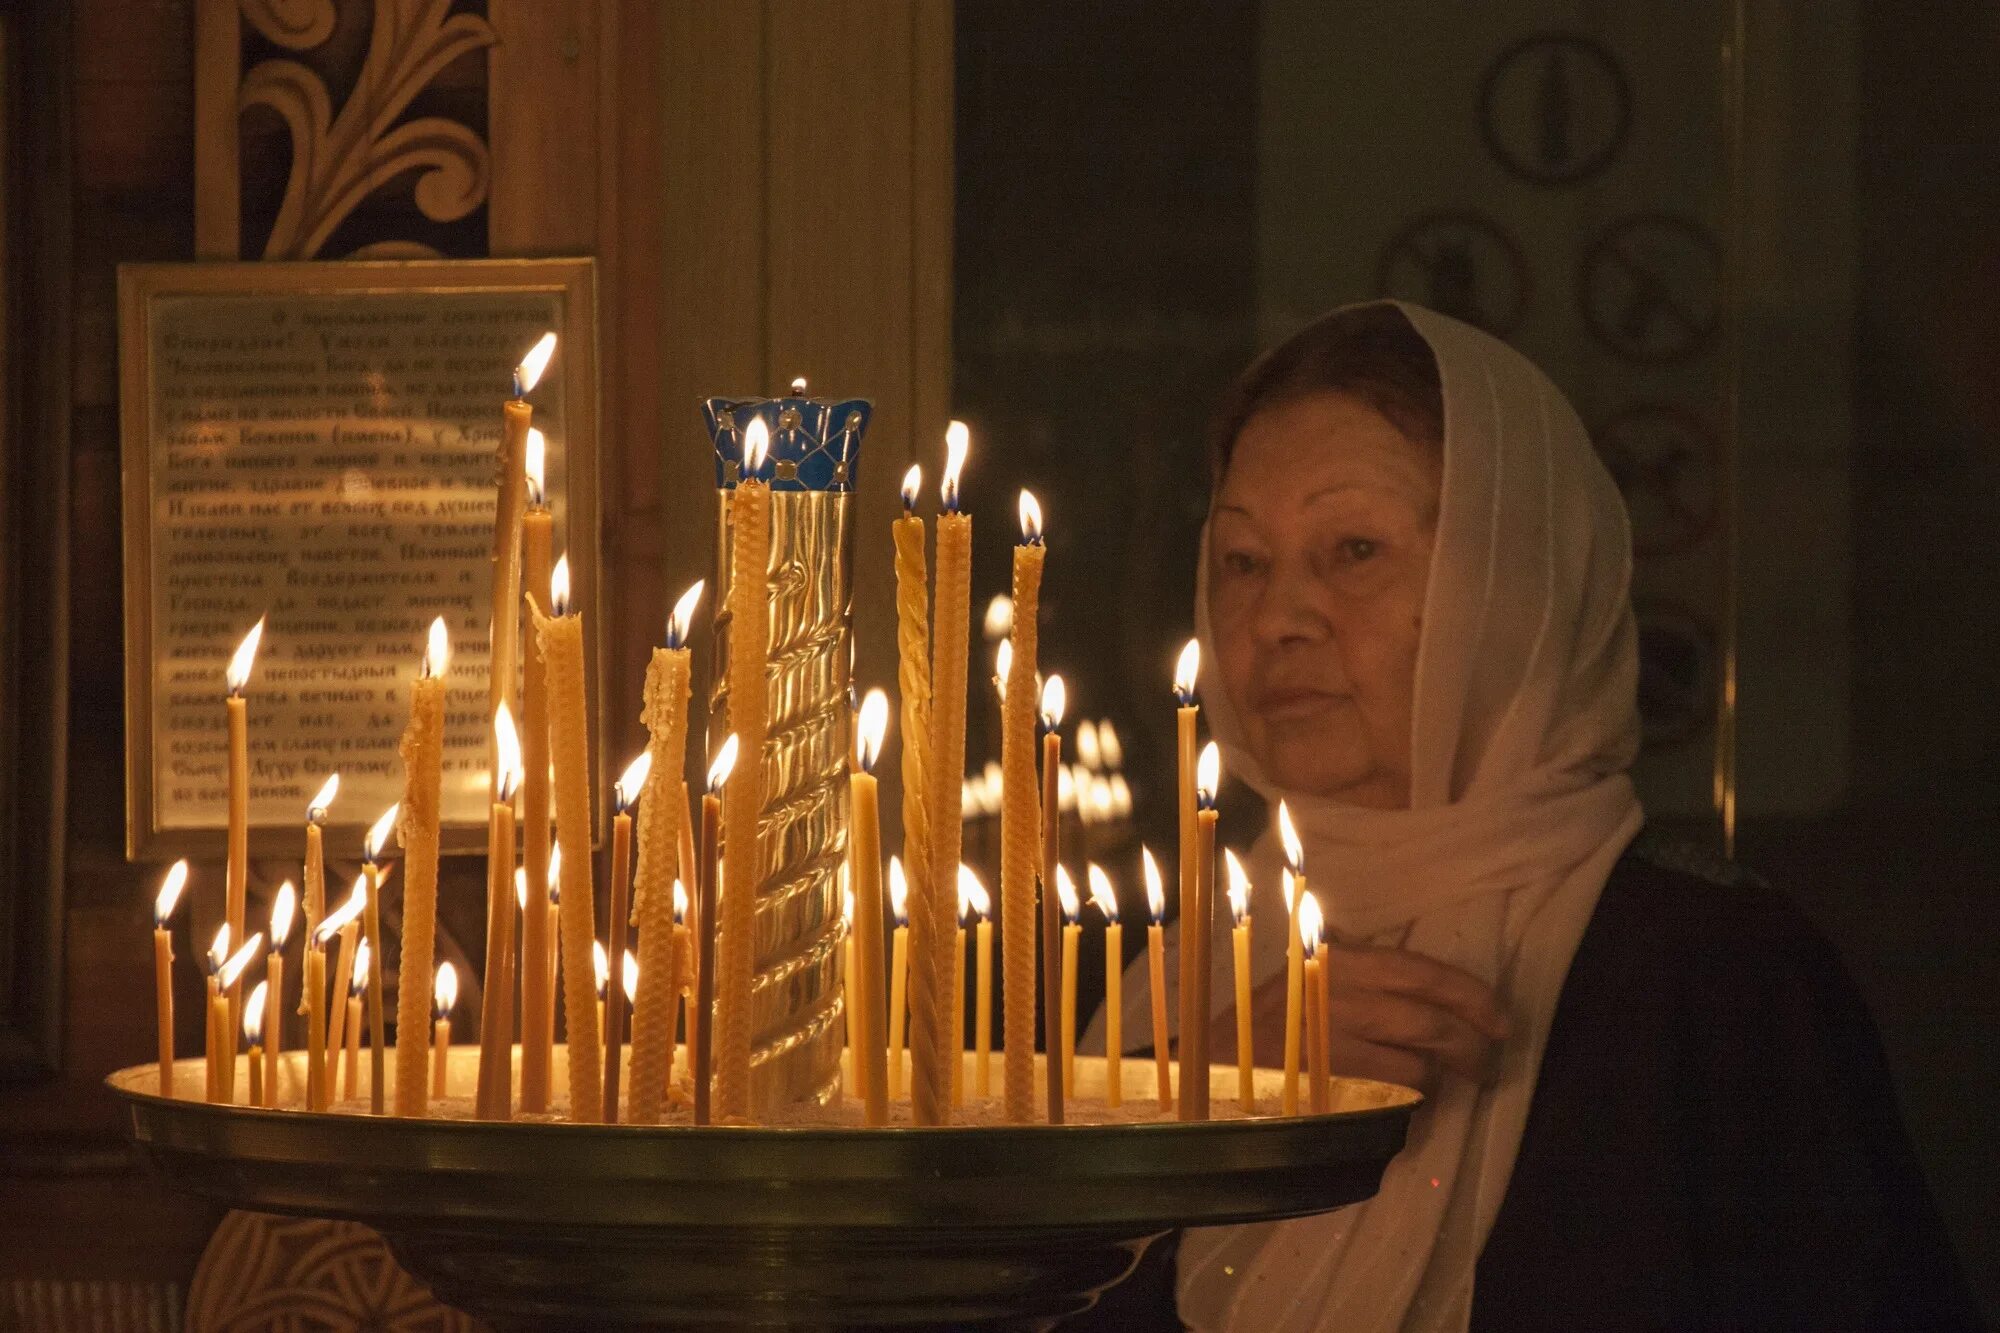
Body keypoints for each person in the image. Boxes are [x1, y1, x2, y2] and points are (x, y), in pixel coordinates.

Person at [1078, 302, 1982, 1331]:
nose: (1276, 617)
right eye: (1242, 560)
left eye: (1355, 548)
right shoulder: (1185, 965)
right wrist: (1191, 1102)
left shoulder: (1711, 979)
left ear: (1510, 583)